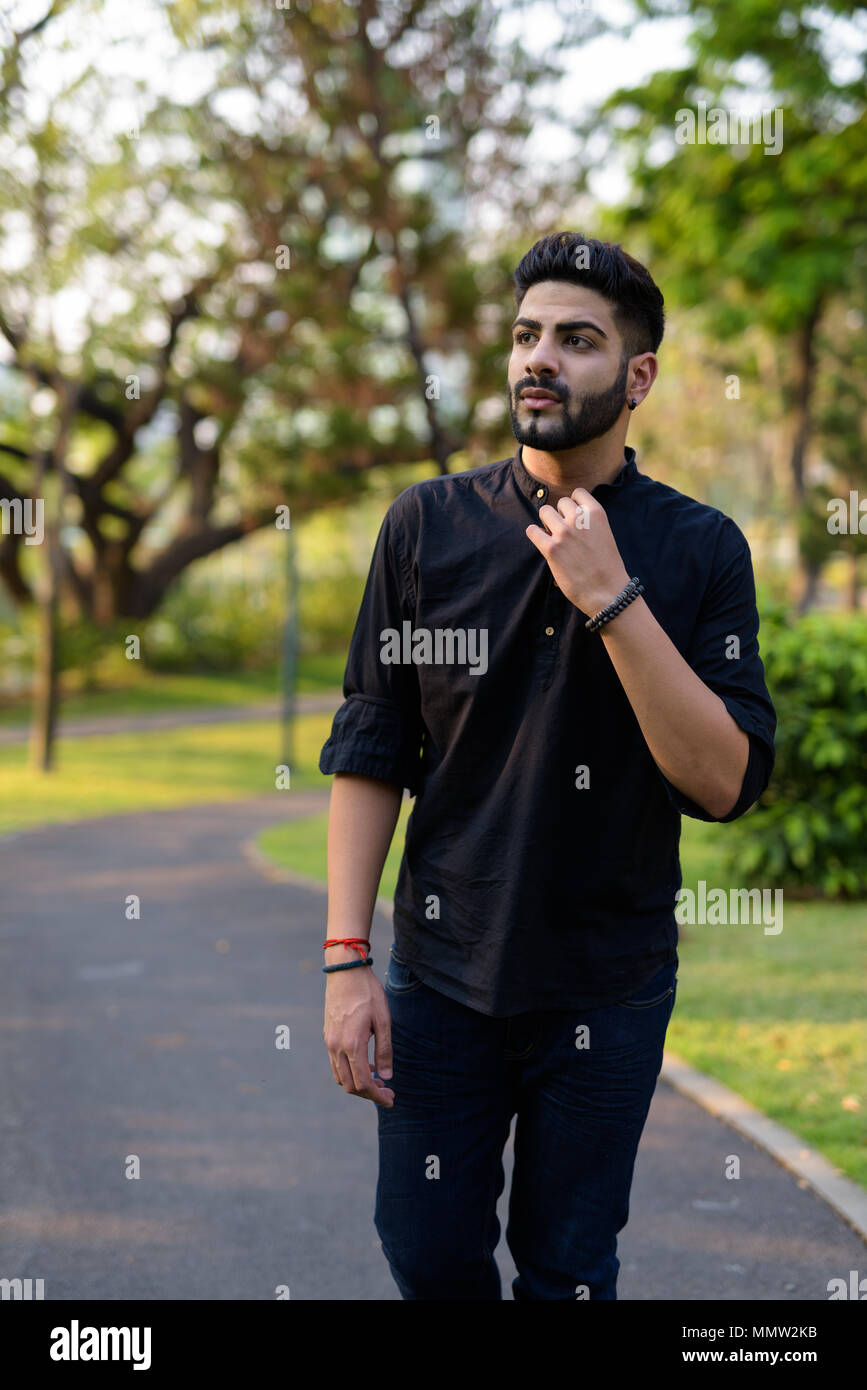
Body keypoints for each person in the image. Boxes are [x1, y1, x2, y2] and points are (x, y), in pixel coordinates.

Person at [318, 231, 776, 1300]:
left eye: (577, 340)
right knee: (427, 1253)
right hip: (439, 977)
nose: (540, 359)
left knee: (569, 1271)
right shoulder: (426, 527)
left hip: (607, 989)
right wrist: (346, 960)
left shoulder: (701, 549)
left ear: (637, 375)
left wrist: (614, 598)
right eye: (527, 336)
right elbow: (373, 741)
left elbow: (724, 780)